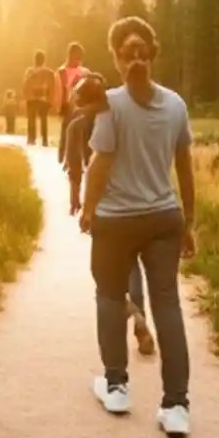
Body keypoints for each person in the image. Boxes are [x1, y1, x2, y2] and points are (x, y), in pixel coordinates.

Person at [79, 16, 196, 438]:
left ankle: (116, 386)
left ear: (117, 59)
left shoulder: (110, 103)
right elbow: (184, 167)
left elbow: (100, 163)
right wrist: (189, 223)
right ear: (151, 54)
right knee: (167, 305)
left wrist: (87, 208)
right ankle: (177, 406)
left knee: (110, 299)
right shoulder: (176, 105)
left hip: (116, 223)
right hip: (165, 219)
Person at [62, 73, 156, 357]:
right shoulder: (125, 119)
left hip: (106, 207)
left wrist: (78, 202)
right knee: (133, 267)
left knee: (103, 272)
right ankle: (140, 320)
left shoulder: (77, 126)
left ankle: (128, 310)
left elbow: (78, 168)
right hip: (137, 202)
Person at [55, 41, 90, 164]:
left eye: (79, 58)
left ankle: (84, 159)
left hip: (81, 106)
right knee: (66, 132)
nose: (78, 60)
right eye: (76, 57)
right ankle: (62, 158)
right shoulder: (61, 71)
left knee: (83, 133)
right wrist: (59, 107)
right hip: (67, 106)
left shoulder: (84, 72)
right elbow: (59, 90)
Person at [22, 50, 54, 146]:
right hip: (43, 97)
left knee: (31, 118)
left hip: (31, 98)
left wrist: (25, 96)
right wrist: (51, 99)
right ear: (44, 60)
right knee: (43, 119)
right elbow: (52, 86)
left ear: (34, 60)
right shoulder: (48, 72)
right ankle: (44, 139)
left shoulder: (30, 71)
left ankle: (31, 138)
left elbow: (25, 85)